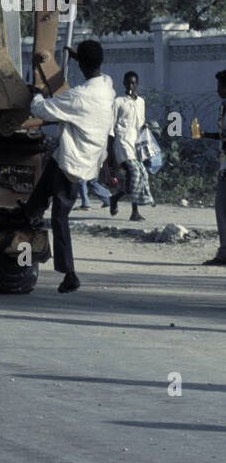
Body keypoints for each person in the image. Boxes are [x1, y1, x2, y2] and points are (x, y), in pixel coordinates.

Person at [20, 40, 115, 292]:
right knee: (37, 200)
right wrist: (76, 57)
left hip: (73, 163)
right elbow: (91, 71)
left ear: (82, 64)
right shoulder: (107, 86)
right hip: (76, 157)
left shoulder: (79, 98)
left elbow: (42, 109)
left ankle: (69, 273)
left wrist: (36, 93)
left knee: (60, 217)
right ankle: (27, 216)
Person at [107, 71, 153, 220]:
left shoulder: (141, 102)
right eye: (128, 83)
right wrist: (110, 149)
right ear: (124, 83)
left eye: (133, 83)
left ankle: (115, 198)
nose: (130, 86)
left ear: (137, 84)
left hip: (137, 144)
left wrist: (146, 127)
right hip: (122, 142)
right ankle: (134, 212)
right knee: (134, 172)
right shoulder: (118, 101)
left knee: (141, 174)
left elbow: (141, 122)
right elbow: (111, 125)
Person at [195, 68, 226, 266]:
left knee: (221, 210)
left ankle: (224, 254)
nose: (217, 89)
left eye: (220, 86)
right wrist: (205, 134)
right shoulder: (224, 107)